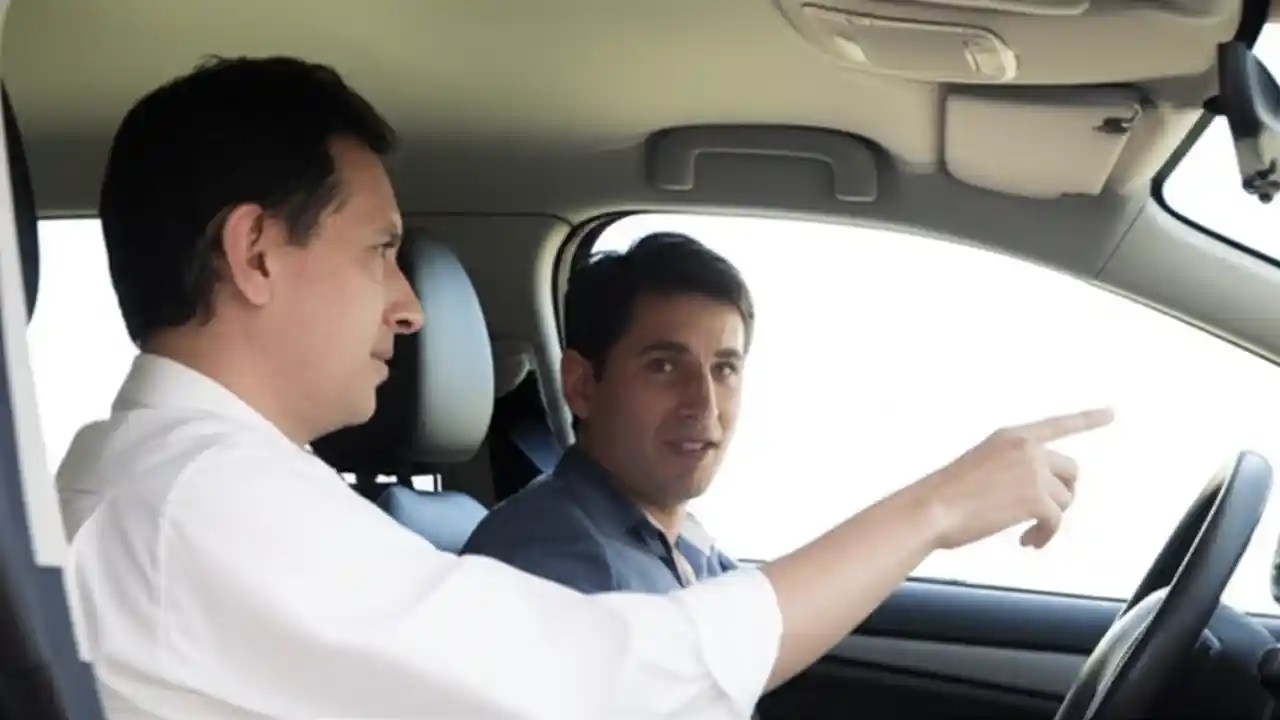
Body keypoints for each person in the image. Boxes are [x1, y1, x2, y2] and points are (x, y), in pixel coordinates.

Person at [56, 55, 1113, 720]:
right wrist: (930, 509)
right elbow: (606, 680)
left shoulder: (182, 486)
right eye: (379, 250)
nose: (407, 306)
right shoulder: (204, 507)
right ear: (255, 254)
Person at [463, 233, 749, 593]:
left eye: (724, 369)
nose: (705, 405)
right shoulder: (555, 562)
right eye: (663, 366)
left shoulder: (680, 543)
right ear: (582, 385)